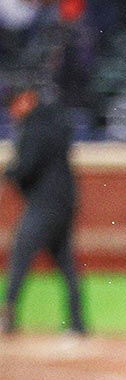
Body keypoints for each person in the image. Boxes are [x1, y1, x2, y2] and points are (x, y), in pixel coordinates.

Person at [1, 82, 83, 336]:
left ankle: (8, 316)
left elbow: (27, 166)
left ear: (27, 99)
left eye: (15, 104)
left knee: (20, 254)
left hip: (44, 204)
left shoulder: (35, 126)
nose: (12, 111)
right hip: (64, 203)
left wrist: (10, 174)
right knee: (66, 263)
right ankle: (78, 323)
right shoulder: (55, 121)